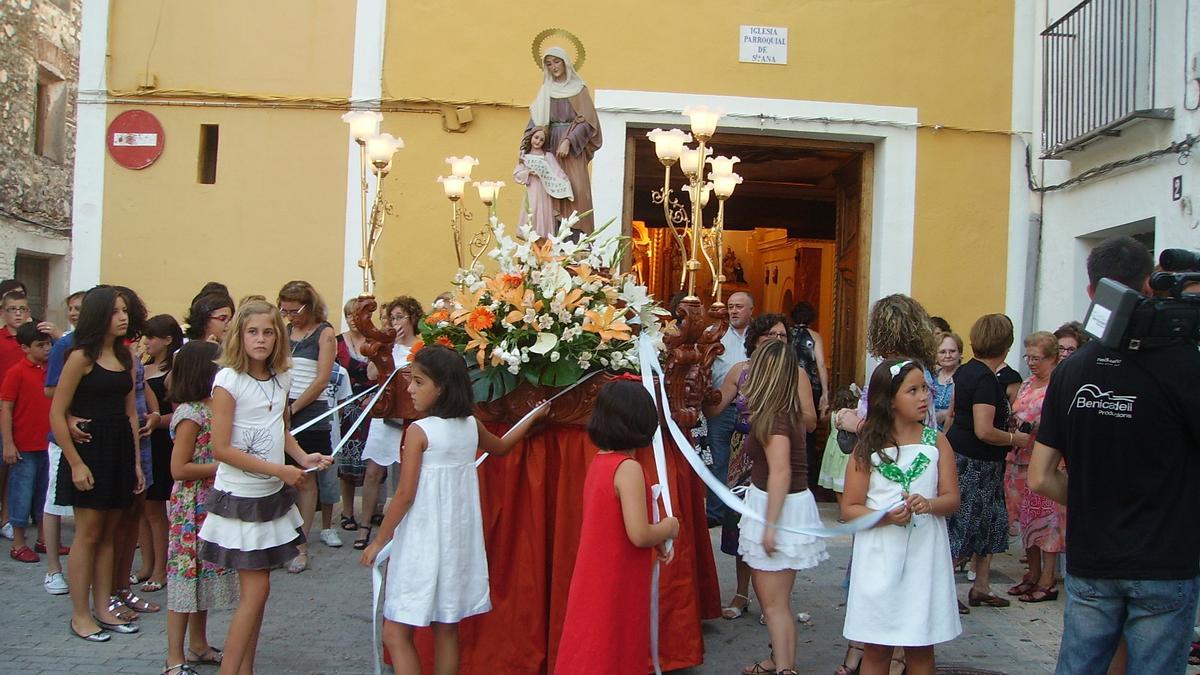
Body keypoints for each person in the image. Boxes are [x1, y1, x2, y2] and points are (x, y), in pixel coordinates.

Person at [1029, 236, 1200, 674]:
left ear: (1092, 293)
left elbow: (1041, 477)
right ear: (1151, 284)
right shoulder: (1187, 365)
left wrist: (1092, 495)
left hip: (1093, 558)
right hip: (1167, 559)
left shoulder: (1073, 370)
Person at [360, 345, 549, 674]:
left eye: (418, 382)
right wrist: (532, 418)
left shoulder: (419, 432)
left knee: (395, 632)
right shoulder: (469, 425)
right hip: (456, 541)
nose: (409, 389)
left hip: (421, 541)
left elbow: (404, 495)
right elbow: (502, 448)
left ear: (442, 387)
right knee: (446, 627)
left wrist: (379, 541)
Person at [198, 299, 331, 675]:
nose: (261, 339)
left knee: (259, 595)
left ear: (279, 336)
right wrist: (279, 470)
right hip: (240, 497)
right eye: (253, 331)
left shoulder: (281, 377)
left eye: (269, 332)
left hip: (269, 496)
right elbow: (221, 448)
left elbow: (280, 428)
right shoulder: (228, 380)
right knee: (255, 594)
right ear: (239, 334)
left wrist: (302, 458)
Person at [843, 359, 962, 675]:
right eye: (913, 390)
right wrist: (884, 516)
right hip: (880, 556)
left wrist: (929, 504)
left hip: (924, 555)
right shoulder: (868, 448)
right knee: (877, 647)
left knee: (920, 645)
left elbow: (952, 499)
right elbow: (850, 508)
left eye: (925, 388)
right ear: (890, 399)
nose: (923, 397)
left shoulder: (936, 443)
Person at [555, 379, 679, 673]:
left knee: (593, 641)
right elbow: (638, 534)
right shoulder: (629, 469)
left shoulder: (600, 463)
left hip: (597, 571)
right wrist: (669, 527)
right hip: (616, 576)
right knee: (615, 643)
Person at [50, 286, 144, 641]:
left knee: (108, 535)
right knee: (87, 535)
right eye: (116, 311)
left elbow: (130, 413)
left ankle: (104, 606)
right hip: (89, 449)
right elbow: (57, 413)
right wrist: (75, 463)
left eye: (125, 311)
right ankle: (80, 614)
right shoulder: (81, 357)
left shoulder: (126, 357)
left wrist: (135, 463)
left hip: (118, 447)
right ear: (100, 315)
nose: (123, 317)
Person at [736, 341, 824, 675]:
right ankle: (779, 659)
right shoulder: (784, 412)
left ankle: (785, 667)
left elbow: (781, 471)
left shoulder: (773, 418)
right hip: (779, 505)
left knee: (773, 603)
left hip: (779, 508)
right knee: (775, 600)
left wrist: (770, 527)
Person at [704, 312, 790, 621]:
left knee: (775, 523)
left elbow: (808, 420)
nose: (777, 341)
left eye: (782, 337)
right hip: (743, 455)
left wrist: (780, 417)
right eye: (771, 336)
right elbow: (717, 405)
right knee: (742, 523)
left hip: (779, 451)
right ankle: (742, 593)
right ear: (755, 340)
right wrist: (700, 384)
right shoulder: (741, 371)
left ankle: (776, 601)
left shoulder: (795, 375)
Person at [946, 314, 1031, 612]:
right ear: (1005, 344)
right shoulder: (984, 378)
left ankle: (980, 587)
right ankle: (946, 591)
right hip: (975, 463)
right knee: (964, 525)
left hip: (971, 457)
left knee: (987, 523)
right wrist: (1013, 439)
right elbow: (983, 429)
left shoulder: (967, 371)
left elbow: (956, 415)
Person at [163, 341, 237, 675]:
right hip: (190, 510)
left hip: (210, 503)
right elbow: (179, 469)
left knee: (202, 580)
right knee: (184, 580)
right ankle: (173, 657)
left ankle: (198, 644)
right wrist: (223, 467)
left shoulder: (214, 408)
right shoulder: (191, 414)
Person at [276, 281, 340, 571]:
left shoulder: (324, 333)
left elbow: (321, 380)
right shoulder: (285, 332)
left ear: (309, 306)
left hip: (308, 411)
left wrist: (293, 408)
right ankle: (277, 541)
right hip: (280, 407)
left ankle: (301, 545)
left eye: (295, 310)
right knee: (279, 476)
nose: (290, 316)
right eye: (285, 310)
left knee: (306, 478)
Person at [356, 295, 423, 550]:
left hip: (409, 416)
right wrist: (386, 350)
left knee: (403, 473)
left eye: (399, 317)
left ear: (412, 318)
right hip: (385, 413)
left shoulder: (422, 345)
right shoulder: (387, 345)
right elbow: (372, 374)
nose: (395, 323)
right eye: (391, 318)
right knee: (373, 471)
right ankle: (365, 525)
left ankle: (398, 527)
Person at [1005, 331, 1063, 604]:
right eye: (1028, 357)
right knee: (1026, 518)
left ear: (1053, 358)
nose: (1032, 363)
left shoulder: (1060, 385)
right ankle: (1033, 572)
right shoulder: (1027, 384)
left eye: (1037, 358)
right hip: (1020, 459)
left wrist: (1037, 427)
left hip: (1047, 461)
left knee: (1048, 520)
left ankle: (1048, 579)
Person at [523, 46, 602, 235]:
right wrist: (529, 144)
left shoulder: (579, 90)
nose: (553, 67)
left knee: (577, 190)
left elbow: (588, 121)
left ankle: (578, 239)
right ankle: (552, 238)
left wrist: (569, 140)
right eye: (549, 64)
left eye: (556, 62)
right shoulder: (546, 91)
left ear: (566, 63)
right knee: (548, 194)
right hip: (549, 148)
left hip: (572, 151)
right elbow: (536, 121)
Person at [138, 314, 183, 594]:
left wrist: (156, 421)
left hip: (163, 441)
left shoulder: (173, 370)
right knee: (143, 508)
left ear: (167, 340)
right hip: (144, 442)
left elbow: (180, 411)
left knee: (156, 510)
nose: (147, 341)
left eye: (152, 337)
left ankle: (160, 568)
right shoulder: (143, 366)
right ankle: (145, 563)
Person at [2, 322, 53, 563]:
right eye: (40, 345)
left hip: (48, 444)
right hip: (24, 445)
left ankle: (44, 539)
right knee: (21, 494)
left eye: (48, 344)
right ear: (24, 348)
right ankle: (18, 543)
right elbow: (6, 407)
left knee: (46, 493)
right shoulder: (17, 372)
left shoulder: (51, 370)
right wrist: (8, 443)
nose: (47, 349)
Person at [706, 291, 753, 527]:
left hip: (752, 409)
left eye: (739, 307)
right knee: (718, 459)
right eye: (730, 306)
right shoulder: (715, 335)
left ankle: (742, 511)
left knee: (749, 460)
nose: (733, 311)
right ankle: (716, 512)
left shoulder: (759, 338)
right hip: (722, 407)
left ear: (751, 310)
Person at [335, 298, 373, 532]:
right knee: (347, 461)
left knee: (372, 460)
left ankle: (373, 509)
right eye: (349, 315)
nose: (352, 320)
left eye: (356, 315)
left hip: (373, 402)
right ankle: (347, 511)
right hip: (346, 404)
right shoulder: (338, 342)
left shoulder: (375, 341)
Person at [789, 301, 829, 490]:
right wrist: (826, 392)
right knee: (809, 435)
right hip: (810, 387)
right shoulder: (814, 337)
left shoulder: (786, 334)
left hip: (788, 386)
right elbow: (820, 364)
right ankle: (807, 482)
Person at [514, 125, 573, 237]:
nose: (538, 141)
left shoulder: (548, 156)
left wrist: (566, 184)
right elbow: (517, 174)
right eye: (536, 137)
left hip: (545, 191)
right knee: (532, 211)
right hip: (531, 190)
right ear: (531, 137)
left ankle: (543, 239)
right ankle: (530, 239)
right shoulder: (524, 155)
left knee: (544, 213)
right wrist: (529, 172)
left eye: (541, 140)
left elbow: (558, 172)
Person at [816, 386, 863, 504]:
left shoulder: (834, 414)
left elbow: (822, 420)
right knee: (846, 479)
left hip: (835, 448)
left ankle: (843, 509)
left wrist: (823, 410)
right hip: (850, 449)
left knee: (837, 480)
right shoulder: (855, 415)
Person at [931, 332, 962, 431]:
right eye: (942, 352)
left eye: (952, 351)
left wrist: (946, 414)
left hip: (955, 432)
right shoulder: (931, 377)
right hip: (929, 433)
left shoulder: (966, 376)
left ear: (960, 353)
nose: (947, 355)